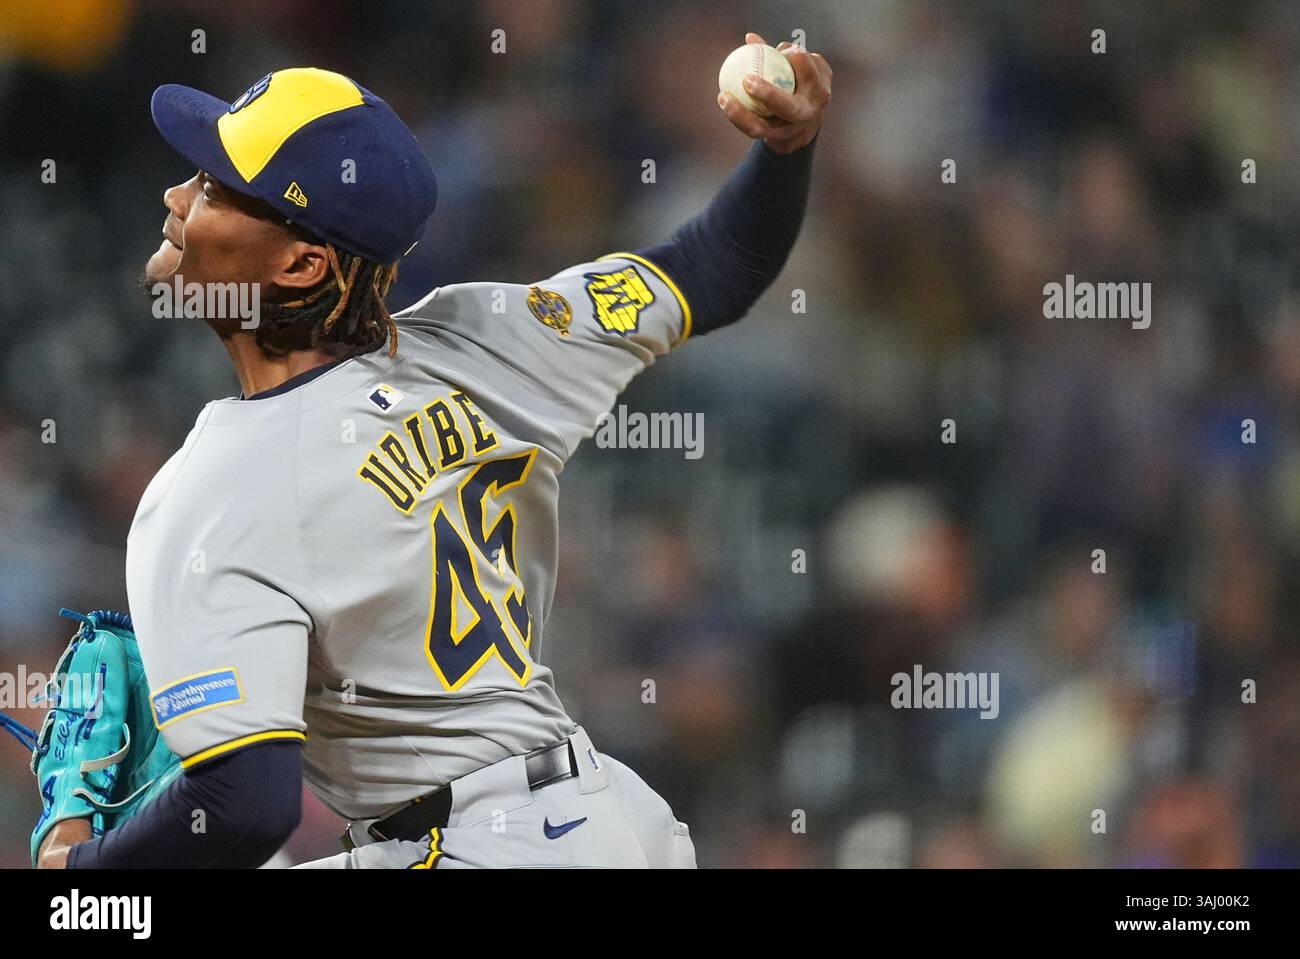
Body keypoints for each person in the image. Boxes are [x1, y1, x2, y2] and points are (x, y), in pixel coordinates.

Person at [37, 33, 831, 868]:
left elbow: (246, 805)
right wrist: (787, 149)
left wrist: (73, 868)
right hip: (609, 823)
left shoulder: (214, 489)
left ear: (304, 262)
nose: (176, 194)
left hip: (477, 848)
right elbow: (711, 267)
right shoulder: (494, 338)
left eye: (214, 187)